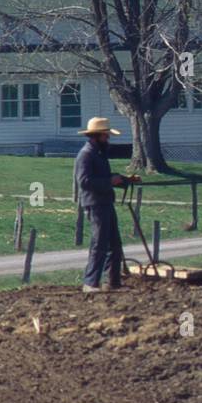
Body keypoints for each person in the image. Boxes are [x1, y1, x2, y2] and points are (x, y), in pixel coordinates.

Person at [74, 117, 138, 293]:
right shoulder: (86, 155)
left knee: (114, 244)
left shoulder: (98, 154)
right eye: (106, 136)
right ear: (97, 136)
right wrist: (110, 181)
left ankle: (112, 282)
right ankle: (90, 283)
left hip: (105, 202)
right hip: (95, 204)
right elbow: (85, 181)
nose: (108, 139)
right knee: (99, 244)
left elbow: (105, 177)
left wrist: (125, 180)